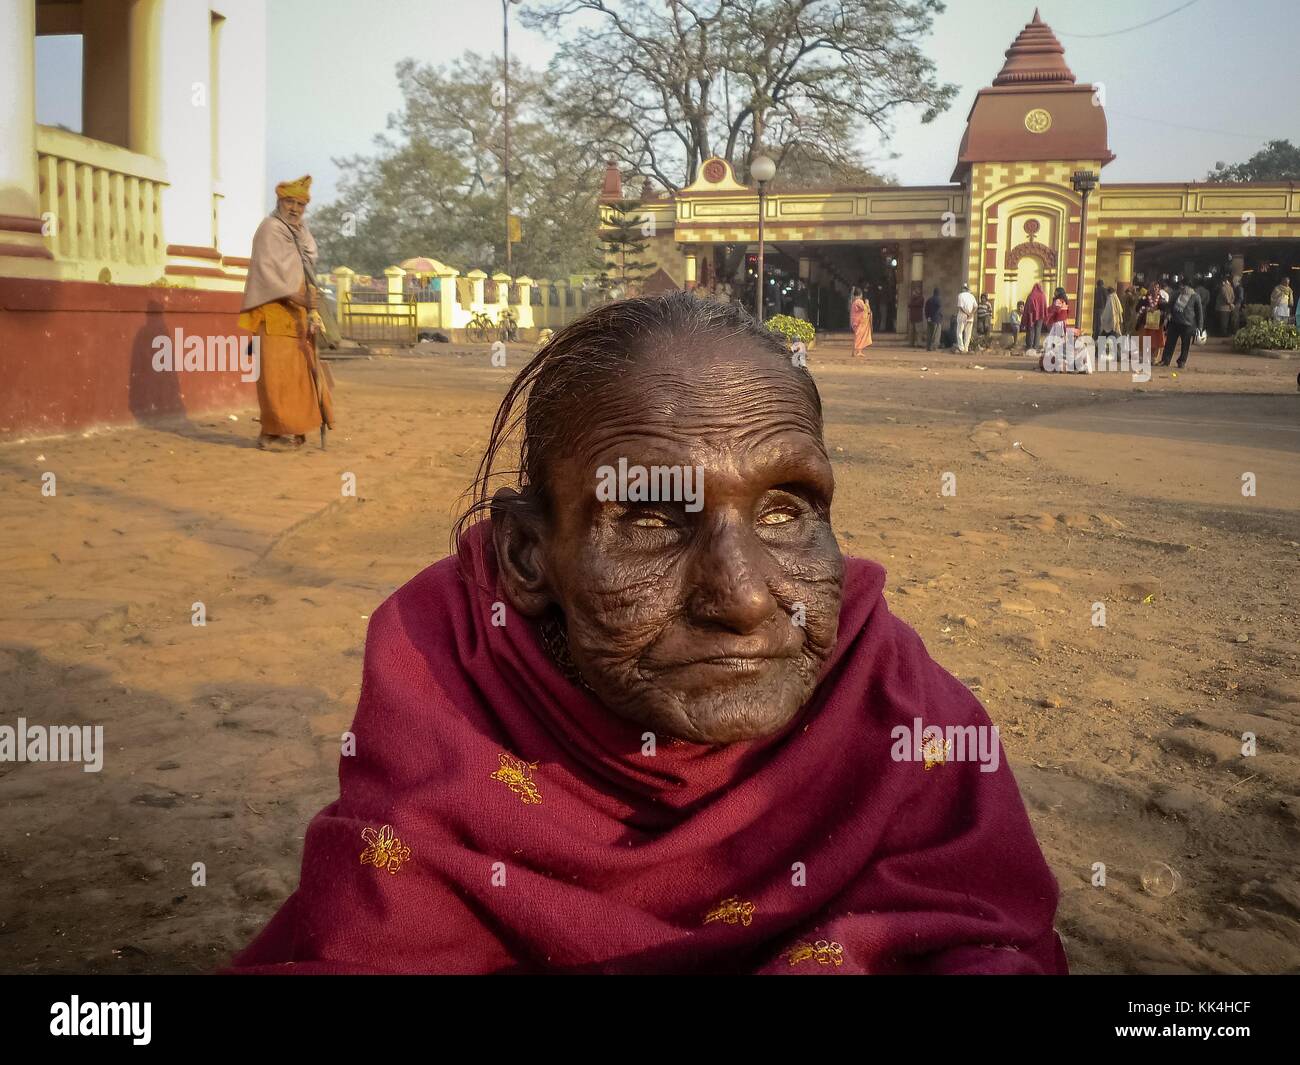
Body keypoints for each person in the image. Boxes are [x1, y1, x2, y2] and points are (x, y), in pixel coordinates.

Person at [226, 293, 1067, 975]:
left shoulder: (892, 701)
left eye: (785, 508)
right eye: (653, 520)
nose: (740, 597)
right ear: (526, 555)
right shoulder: (443, 679)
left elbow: (983, 940)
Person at [239, 175, 335, 451]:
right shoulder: (269, 229)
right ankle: (273, 432)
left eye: (300, 205)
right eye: (289, 202)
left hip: (299, 316)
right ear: (279, 201)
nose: (294, 209)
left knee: (298, 375)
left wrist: (310, 304)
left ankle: (291, 430)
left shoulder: (302, 233)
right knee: (274, 376)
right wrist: (298, 297)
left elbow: (307, 265)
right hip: (273, 312)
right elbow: (266, 273)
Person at [1161, 279, 1204, 369]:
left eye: (1183, 286)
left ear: (1188, 286)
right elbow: (1170, 306)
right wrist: (1168, 314)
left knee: (1185, 345)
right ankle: (1165, 360)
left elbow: (1199, 313)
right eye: (1181, 286)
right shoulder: (1176, 294)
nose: (1181, 287)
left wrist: (1200, 326)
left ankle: (1182, 361)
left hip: (1188, 324)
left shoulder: (1195, 297)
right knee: (1169, 343)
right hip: (1174, 322)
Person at [1135, 283, 1165, 361]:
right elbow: (1137, 308)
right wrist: (1146, 309)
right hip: (1145, 324)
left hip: (1157, 325)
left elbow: (1165, 310)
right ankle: (1142, 356)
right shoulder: (1144, 299)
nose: (1155, 289)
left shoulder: (1161, 299)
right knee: (1143, 340)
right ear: (1150, 288)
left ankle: (1153, 358)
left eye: (1157, 287)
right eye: (1154, 287)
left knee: (1155, 341)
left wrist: (1159, 312)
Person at [1023, 283, 1047, 353]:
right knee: (1038, 330)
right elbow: (1044, 306)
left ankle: (1029, 346)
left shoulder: (1031, 295)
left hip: (1031, 315)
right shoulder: (1043, 296)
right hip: (1040, 316)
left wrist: (1026, 316)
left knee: (1031, 330)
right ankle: (1036, 346)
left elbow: (1027, 307)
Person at [850, 286, 873, 357]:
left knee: (858, 336)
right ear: (860, 294)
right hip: (859, 322)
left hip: (856, 322)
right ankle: (857, 351)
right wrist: (867, 303)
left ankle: (856, 351)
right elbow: (865, 308)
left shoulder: (854, 302)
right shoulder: (859, 301)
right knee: (859, 336)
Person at [955, 284, 977, 352]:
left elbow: (960, 307)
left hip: (962, 316)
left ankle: (961, 347)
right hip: (970, 317)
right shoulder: (972, 296)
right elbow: (975, 307)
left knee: (959, 332)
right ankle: (966, 348)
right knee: (968, 333)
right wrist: (971, 314)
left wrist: (967, 313)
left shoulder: (960, 295)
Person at [925, 286, 943, 350]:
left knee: (929, 333)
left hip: (929, 319)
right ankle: (934, 347)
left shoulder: (929, 300)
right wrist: (940, 316)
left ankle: (928, 346)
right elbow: (939, 309)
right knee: (936, 334)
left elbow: (926, 310)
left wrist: (928, 317)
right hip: (936, 319)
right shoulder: (938, 299)